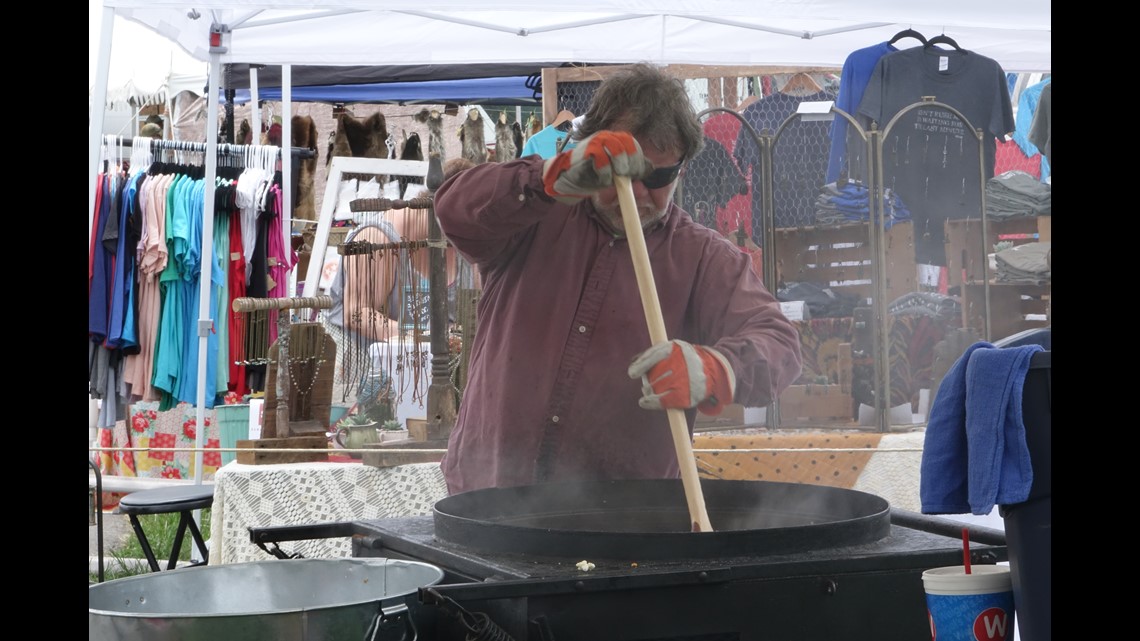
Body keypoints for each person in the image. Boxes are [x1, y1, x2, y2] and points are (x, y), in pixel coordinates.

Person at [433, 63, 803, 495]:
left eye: (658, 176)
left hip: (622, 519)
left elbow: (779, 343)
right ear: (587, 150)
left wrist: (717, 368)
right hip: (490, 494)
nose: (639, 193)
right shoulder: (534, 213)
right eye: (622, 173)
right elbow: (453, 210)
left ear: (681, 168)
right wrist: (548, 177)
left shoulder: (703, 258)